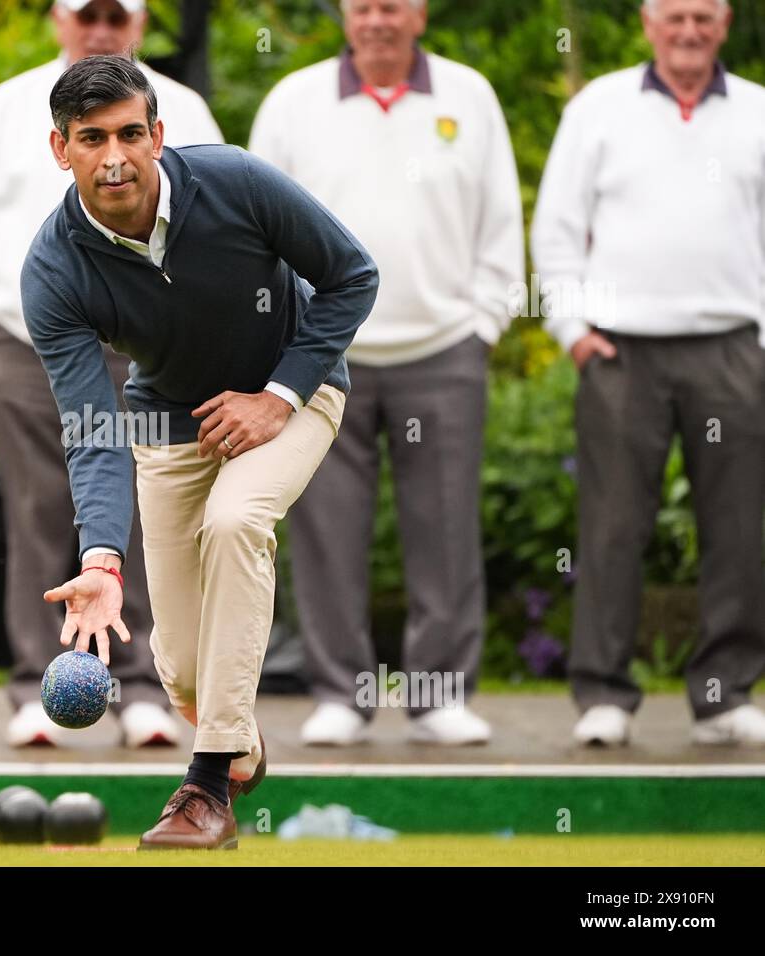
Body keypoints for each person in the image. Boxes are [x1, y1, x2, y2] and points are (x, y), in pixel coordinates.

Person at [22, 56, 378, 848]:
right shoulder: (53, 269)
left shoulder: (238, 182)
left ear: (157, 135)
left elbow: (352, 275)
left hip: (295, 392)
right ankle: (235, 735)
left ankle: (206, 789)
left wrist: (278, 394)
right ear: (61, 149)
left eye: (127, 133)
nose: (112, 155)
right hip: (168, 423)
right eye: (90, 138)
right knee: (181, 670)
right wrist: (103, 560)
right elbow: (93, 426)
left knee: (236, 521)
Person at [0, 0, 222, 747]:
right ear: (59, 19)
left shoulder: (184, 107)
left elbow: (213, 226)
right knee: (37, 507)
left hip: (145, 343)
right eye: (86, 13)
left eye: (115, 14)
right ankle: (38, 683)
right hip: (23, 341)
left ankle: (143, 689)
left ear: (136, 23)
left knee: (150, 508)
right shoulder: (8, 104)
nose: (100, 27)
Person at [250, 0, 523, 746]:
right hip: (320, 357)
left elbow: (501, 220)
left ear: (421, 13)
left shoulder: (469, 97)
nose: (378, 18)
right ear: (344, 14)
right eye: (364, 5)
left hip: (443, 350)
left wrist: (483, 324)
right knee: (326, 533)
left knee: (444, 531)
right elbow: (259, 231)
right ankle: (340, 692)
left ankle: (439, 700)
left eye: (392, 5)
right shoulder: (293, 103)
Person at [532, 0, 765, 746]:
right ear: (648, 22)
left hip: (733, 346)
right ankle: (604, 694)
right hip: (620, 350)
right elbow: (558, 225)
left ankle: (725, 699)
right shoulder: (601, 107)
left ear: (725, 22)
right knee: (611, 528)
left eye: (704, 16)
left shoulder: (758, 111)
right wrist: (570, 328)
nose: (689, 30)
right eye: (676, 16)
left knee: (737, 528)